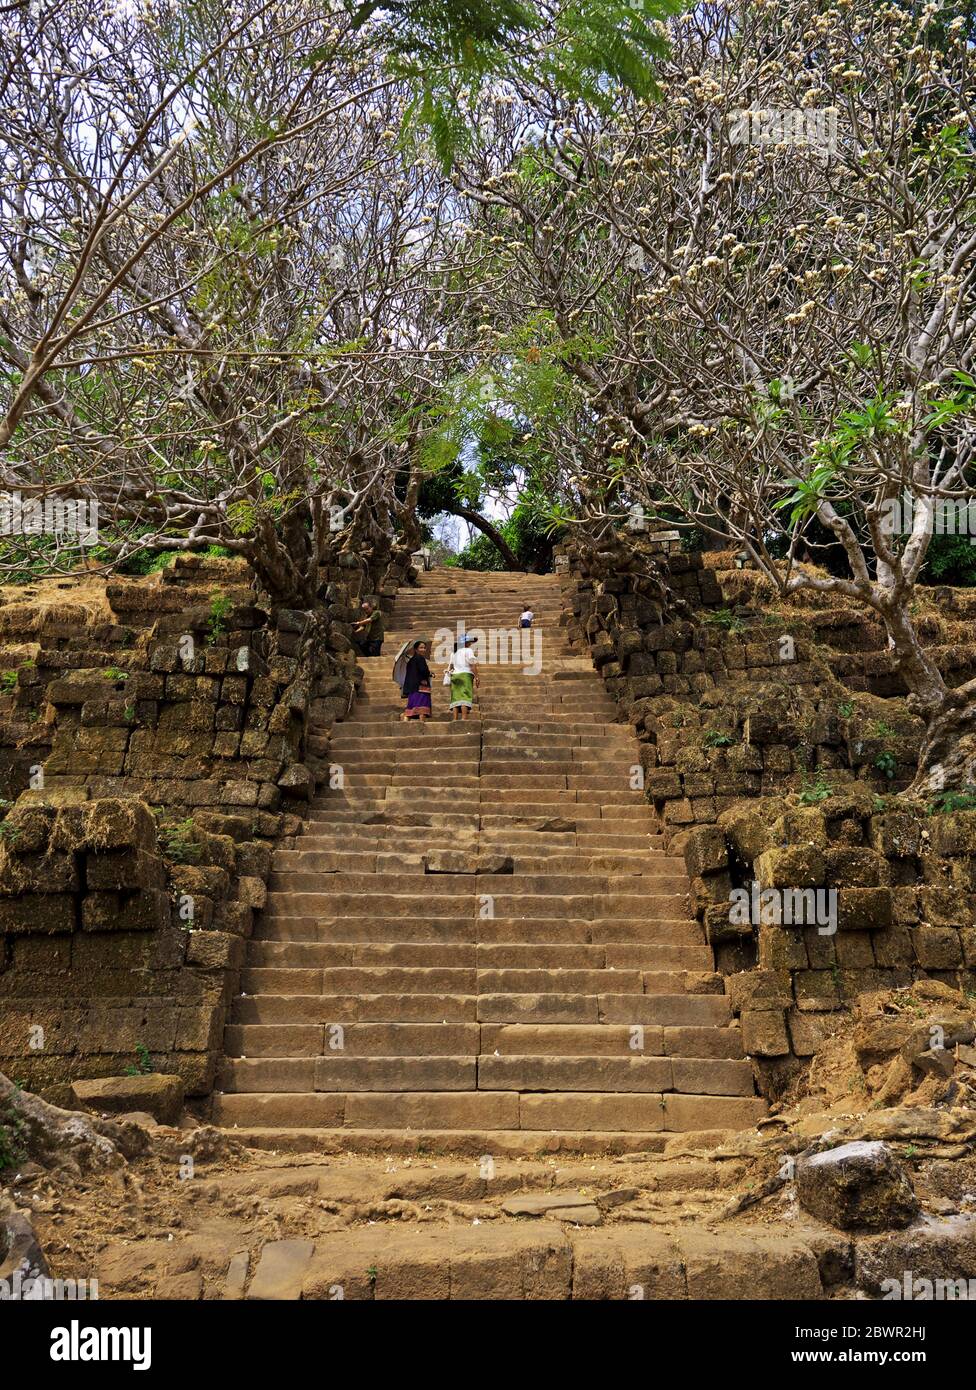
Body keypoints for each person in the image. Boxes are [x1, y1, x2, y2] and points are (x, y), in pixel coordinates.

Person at [447, 635, 479, 721]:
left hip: (455, 675)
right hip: (465, 675)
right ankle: (464, 718)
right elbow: (472, 664)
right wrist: (476, 677)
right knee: (465, 696)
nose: (470, 644)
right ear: (465, 643)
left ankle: (455, 718)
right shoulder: (468, 650)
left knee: (455, 697)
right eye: (469, 642)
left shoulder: (454, 652)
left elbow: (451, 667)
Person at [400, 640, 432, 725]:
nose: (423, 649)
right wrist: (429, 673)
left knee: (411, 708)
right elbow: (423, 670)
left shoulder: (411, 660)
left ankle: (404, 725)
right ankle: (422, 725)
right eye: (421, 647)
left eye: (424, 648)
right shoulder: (420, 658)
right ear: (416, 649)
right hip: (421, 687)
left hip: (412, 688)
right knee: (422, 708)